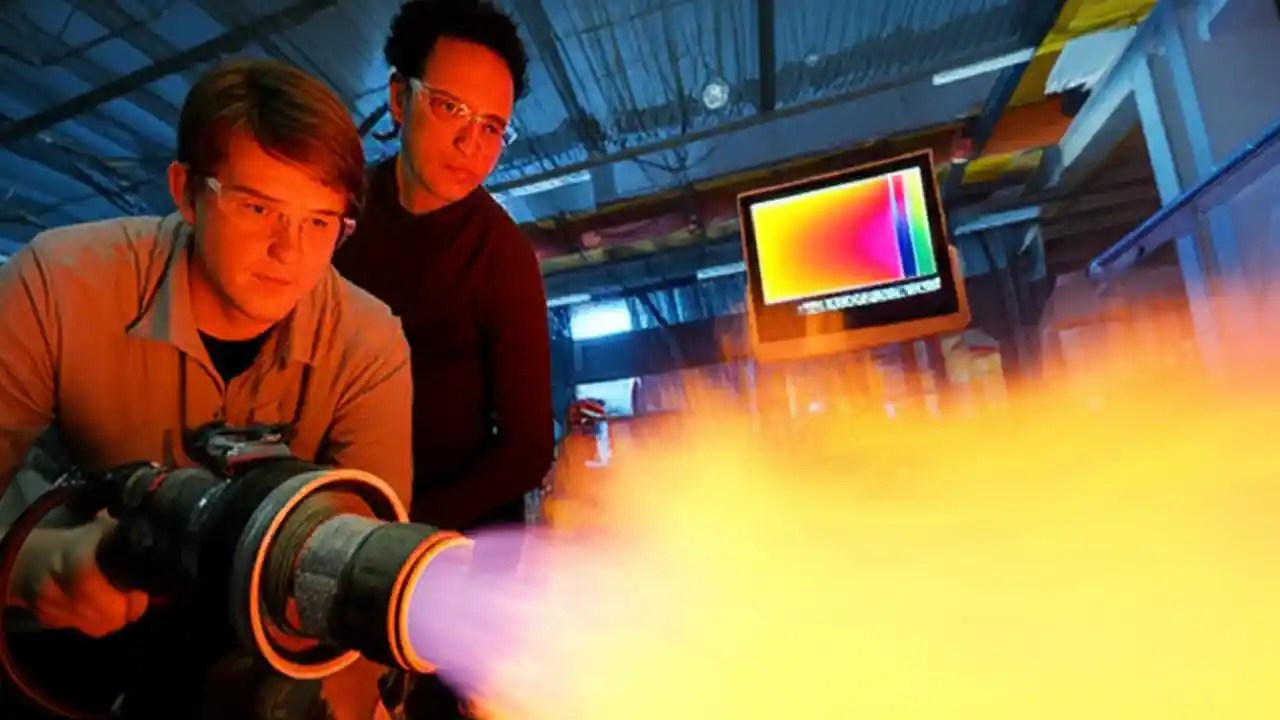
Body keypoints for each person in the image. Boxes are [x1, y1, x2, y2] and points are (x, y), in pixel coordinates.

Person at [0, 58, 412, 720]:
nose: (289, 251)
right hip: (77, 645)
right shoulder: (58, 283)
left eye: (319, 221)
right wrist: (30, 567)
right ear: (187, 192)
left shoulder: (369, 343)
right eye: (258, 207)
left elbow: (367, 568)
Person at [331, 1, 554, 716]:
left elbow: (526, 449)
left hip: (458, 543)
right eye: (451, 108)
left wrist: (403, 528)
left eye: (492, 126)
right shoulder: (339, 214)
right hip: (338, 510)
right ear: (400, 99)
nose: (471, 142)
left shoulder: (502, 256)